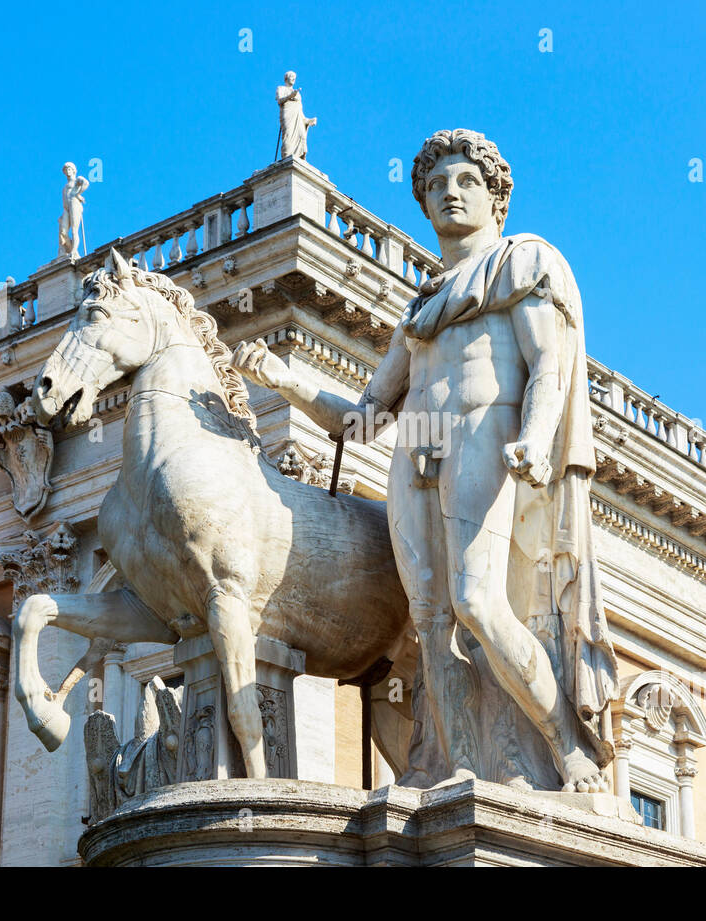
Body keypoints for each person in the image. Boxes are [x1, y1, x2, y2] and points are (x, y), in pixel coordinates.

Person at [234, 129, 617, 792]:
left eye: (466, 181)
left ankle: (564, 747)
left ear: (497, 199)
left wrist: (535, 434)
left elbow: (548, 363)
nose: (449, 193)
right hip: (415, 451)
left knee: (477, 601)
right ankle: (452, 763)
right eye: (436, 185)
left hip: (486, 435)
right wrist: (287, 381)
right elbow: (364, 418)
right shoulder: (420, 311)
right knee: (432, 623)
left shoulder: (520, 263)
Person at [276, 71, 317, 160]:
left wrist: (308, 120)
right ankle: (286, 157)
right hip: (288, 115)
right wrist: (290, 96)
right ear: (286, 78)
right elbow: (279, 101)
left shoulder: (298, 94)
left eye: (295, 77)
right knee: (288, 136)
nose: (294, 78)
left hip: (298, 118)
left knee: (301, 136)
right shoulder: (281, 88)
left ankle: (299, 157)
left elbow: (300, 111)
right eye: (291, 76)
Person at [58, 162, 89, 258]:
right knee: (63, 232)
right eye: (66, 170)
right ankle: (70, 249)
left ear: (73, 170)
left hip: (74, 204)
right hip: (66, 209)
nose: (67, 171)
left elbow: (86, 183)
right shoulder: (65, 187)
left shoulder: (76, 180)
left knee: (74, 230)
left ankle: (74, 251)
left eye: (69, 169)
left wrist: (77, 194)